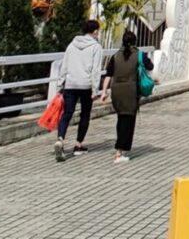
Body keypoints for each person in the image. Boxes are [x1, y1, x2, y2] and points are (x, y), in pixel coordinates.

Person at [99, 30, 152, 163]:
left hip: (116, 92)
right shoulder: (140, 55)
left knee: (121, 119)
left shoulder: (116, 56)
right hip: (131, 91)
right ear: (135, 42)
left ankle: (119, 149)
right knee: (128, 122)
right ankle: (119, 152)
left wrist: (104, 91)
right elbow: (150, 66)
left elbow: (108, 75)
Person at [53, 19, 102, 162]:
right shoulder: (96, 47)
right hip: (85, 85)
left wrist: (59, 86)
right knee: (85, 114)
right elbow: (96, 70)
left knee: (67, 114)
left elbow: (64, 66)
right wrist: (95, 89)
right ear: (95, 31)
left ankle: (60, 139)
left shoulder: (71, 45)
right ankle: (78, 144)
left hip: (70, 84)